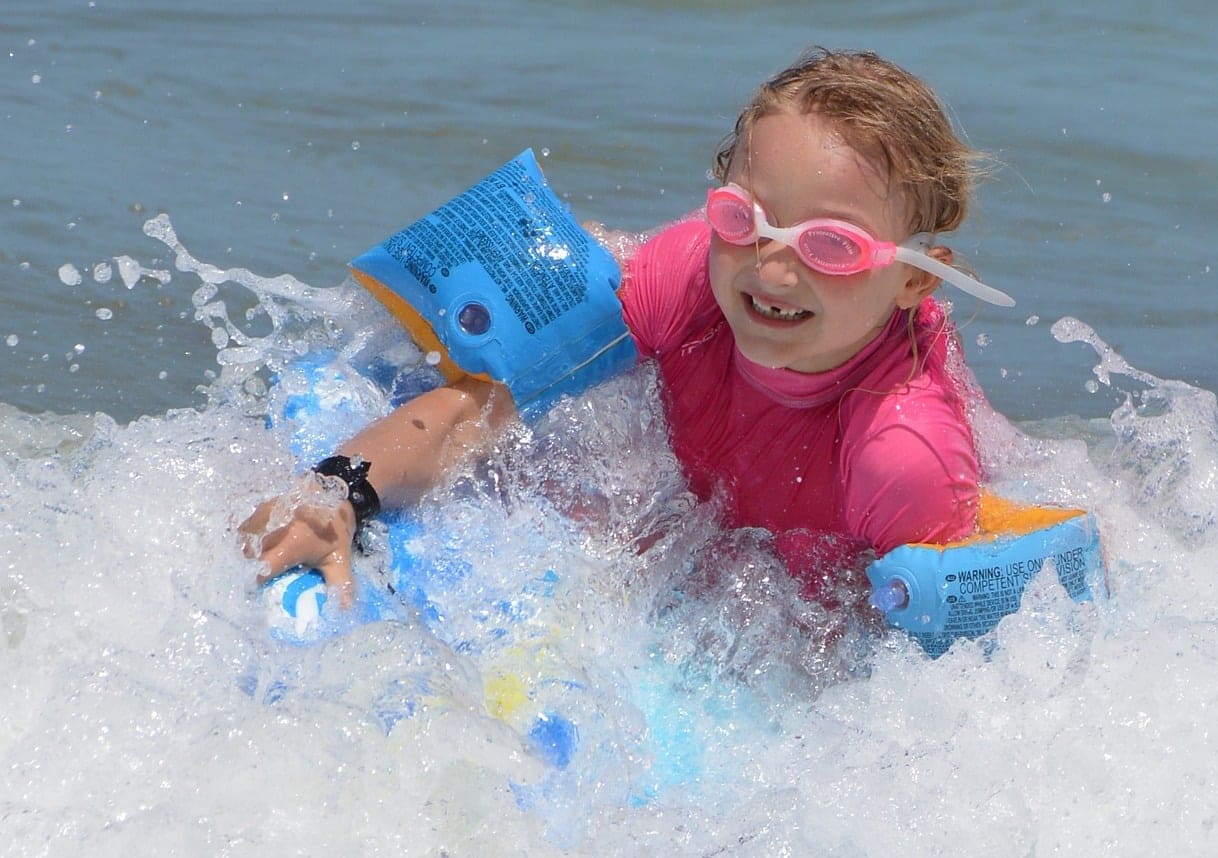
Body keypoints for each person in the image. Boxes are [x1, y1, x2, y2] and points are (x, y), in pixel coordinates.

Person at [240, 48, 1000, 609]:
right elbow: (484, 404)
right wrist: (337, 494)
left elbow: (918, 674)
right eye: (746, 218)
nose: (771, 269)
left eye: (829, 246)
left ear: (914, 278)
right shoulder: (696, 276)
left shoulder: (899, 457)